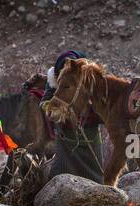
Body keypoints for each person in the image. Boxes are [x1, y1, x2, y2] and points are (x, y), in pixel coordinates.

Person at [43, 49, 104, 181]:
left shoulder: (90, 79)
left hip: (90, 135)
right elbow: (44, 102)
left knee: (96, 172)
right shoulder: (54, 80)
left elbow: (104, 109)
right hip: (66, 138)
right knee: (63, 172)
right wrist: (57, 111)